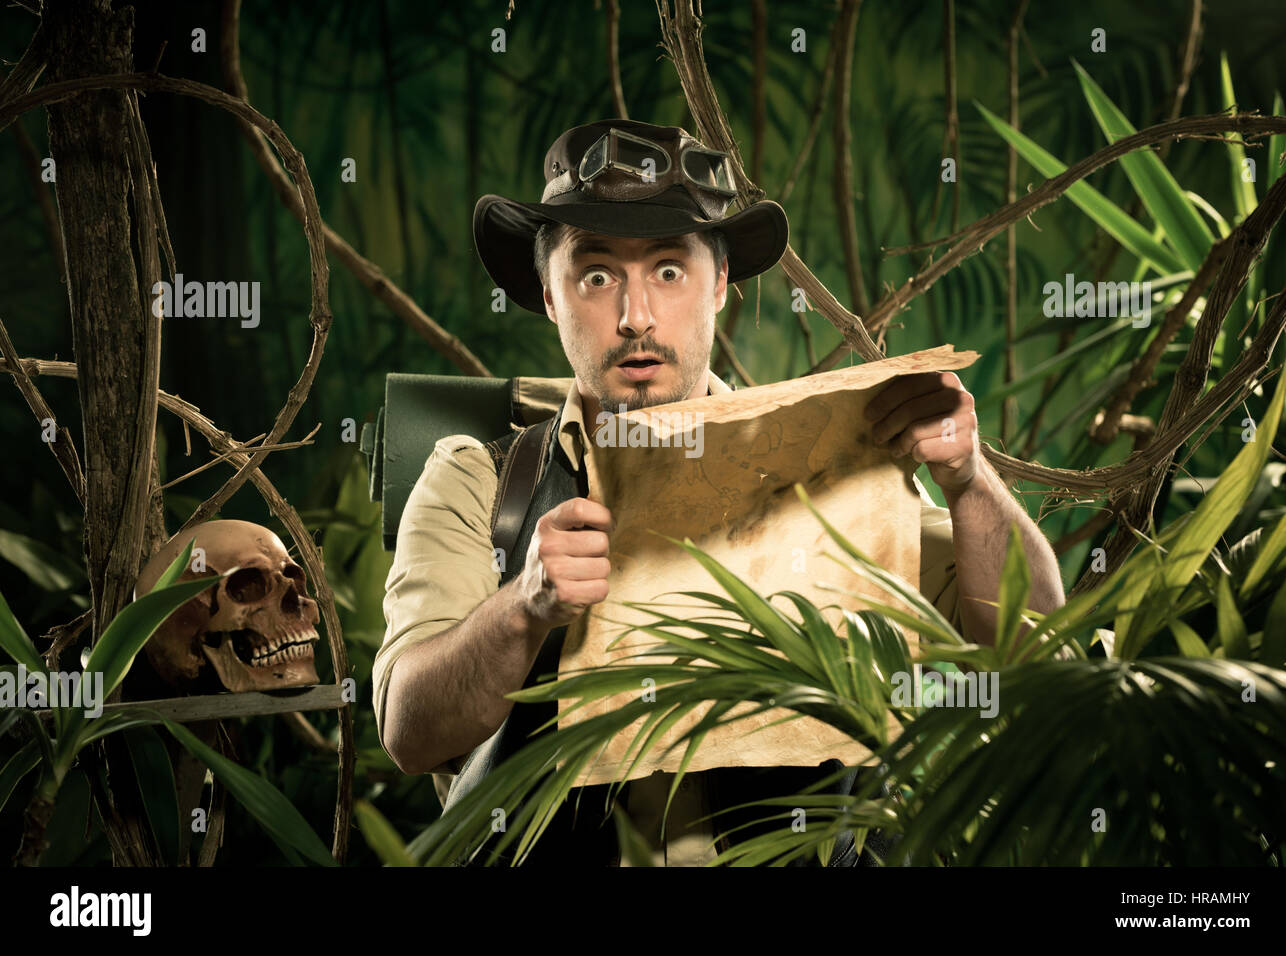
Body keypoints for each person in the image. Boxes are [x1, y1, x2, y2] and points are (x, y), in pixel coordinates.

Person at [373, 118, 1066, 866]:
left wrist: (969, 482)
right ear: (549, 293)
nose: (636, 316)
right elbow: (410, 733)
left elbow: (1033, 660)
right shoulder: (482, 481)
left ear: (722, 286)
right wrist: (523, 610)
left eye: (669, 271)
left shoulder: (821, 469)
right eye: (597, 275)